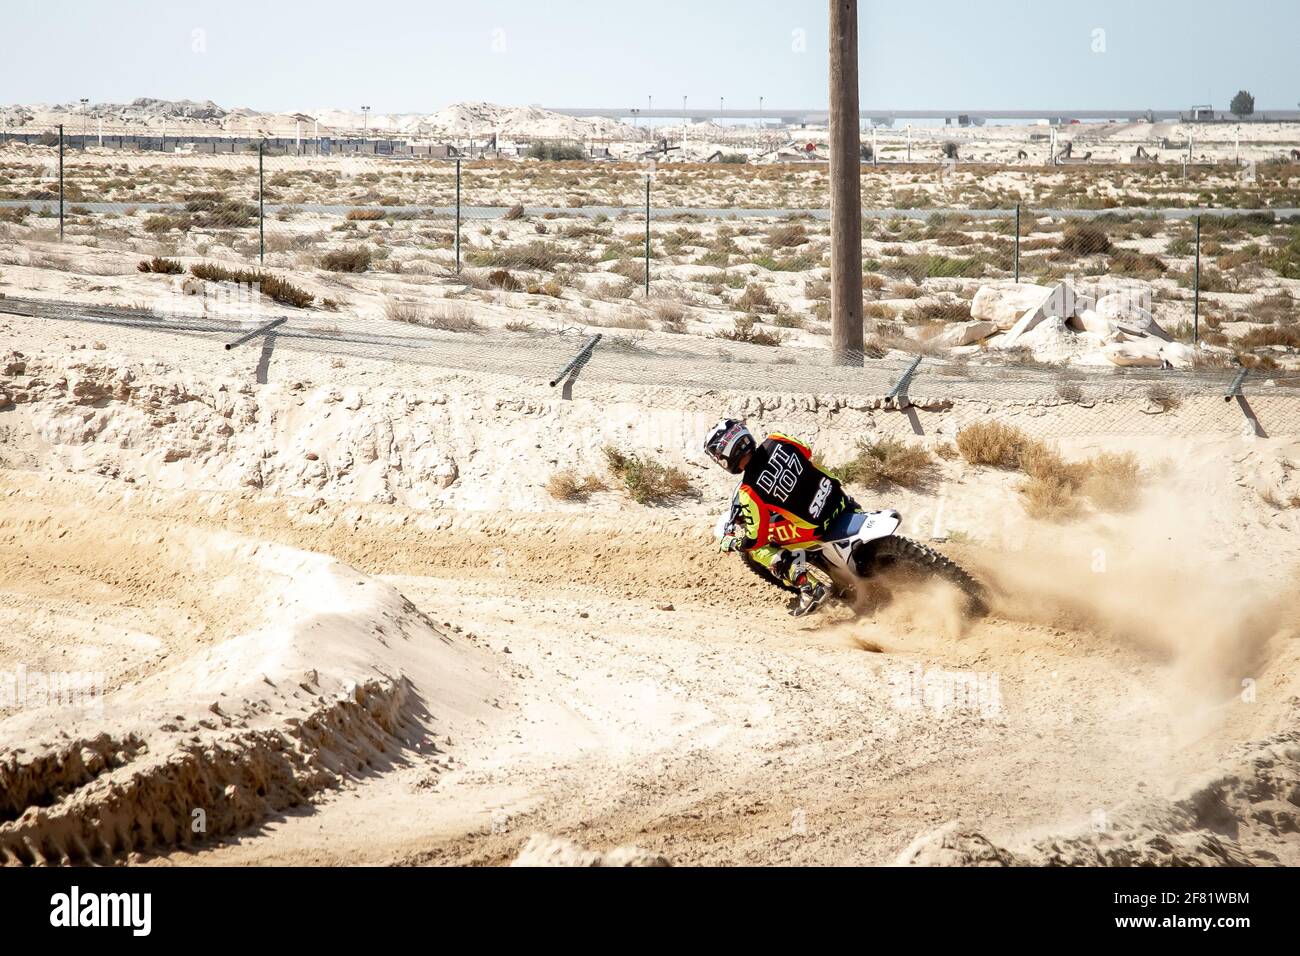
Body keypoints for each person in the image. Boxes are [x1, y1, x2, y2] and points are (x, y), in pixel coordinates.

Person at [703, 418, 854, 616]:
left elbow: (756, 537)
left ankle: (809, 587)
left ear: (725, 454)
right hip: (839, 499)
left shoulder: (749, 490)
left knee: (759, 548)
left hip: (816, 526)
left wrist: (734, 543)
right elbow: (807, 451)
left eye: (718, 455)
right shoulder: (777, 439)